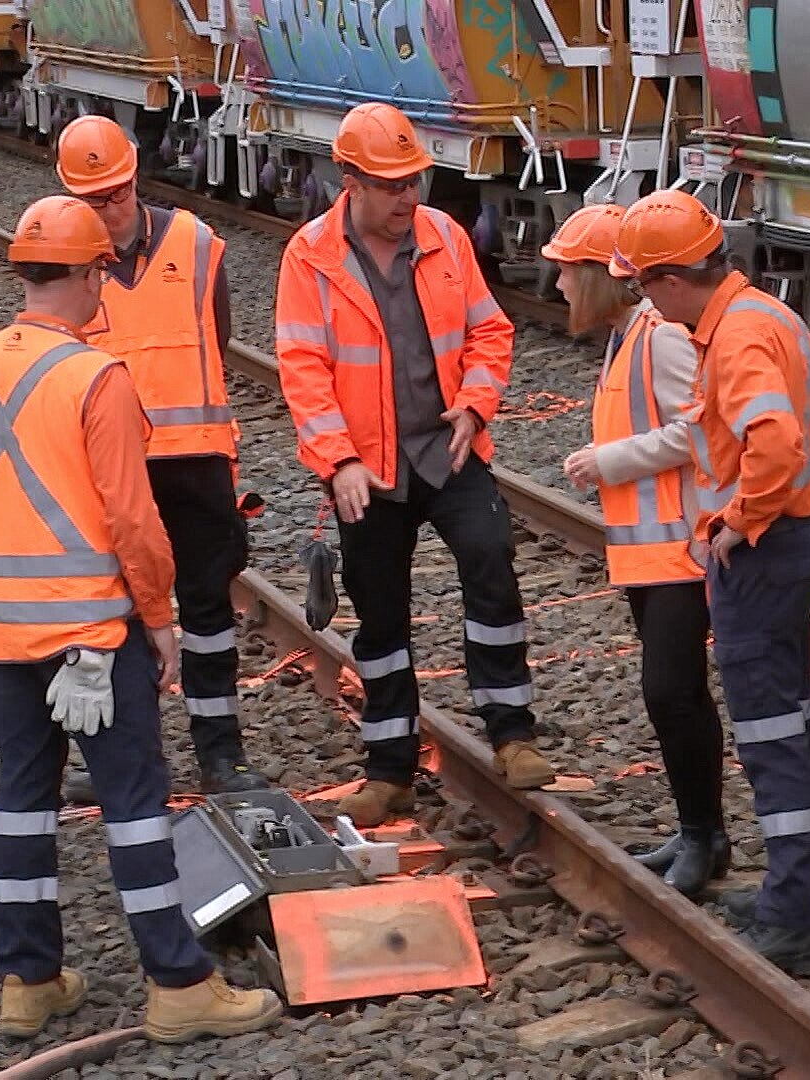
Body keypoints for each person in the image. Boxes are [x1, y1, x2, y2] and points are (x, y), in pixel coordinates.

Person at [0, 195, 283, 1041]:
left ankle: (27, 980)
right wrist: (159, 616)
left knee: (21, 802)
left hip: (5, 636)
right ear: (87, 274)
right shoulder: (96, 378)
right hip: (95, 637)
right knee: (134, 804)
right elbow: (132, 520)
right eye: (101, 272)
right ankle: (177, 984)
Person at [274, 102, 554, 826]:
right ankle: (389, 767)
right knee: (380, 613)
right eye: (392, 185)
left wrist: (475, 406)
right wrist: (338, 461)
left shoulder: (444, 236)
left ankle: (512, 733)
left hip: (447, 448)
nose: (408, 197)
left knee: (490, 561)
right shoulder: (311, 255)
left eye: (414, 181)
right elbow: (302, 368)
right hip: (366, 468)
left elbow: (489, 332)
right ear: (351, 182)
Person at [610, 189, 810, 976]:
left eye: (644, 285)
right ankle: (803, 895)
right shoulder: (762, 314)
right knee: (795, 728)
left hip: (765, 555)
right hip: (797, 544)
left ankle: (793, 924)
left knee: (771, 739)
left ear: (672, 281)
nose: (645, 302)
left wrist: (737, 520)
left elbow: (773, 442)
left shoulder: (735, 336)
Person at [52, 115, 262, 796]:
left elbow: (216, 341)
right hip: (110, 468)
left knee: (206, 614)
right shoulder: (64, 264)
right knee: (112, 613)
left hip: (196, 461)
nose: (108, 209)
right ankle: (123, 758)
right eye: (92, 199)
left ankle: (220, 754)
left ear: (135, 175)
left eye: (116, 193)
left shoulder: (196, 245)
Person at [547, 204, 725, 896]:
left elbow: (698, 431)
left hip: (680, 551)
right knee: (674, 698)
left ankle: (703, 835)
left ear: (597, 276)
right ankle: (699, 833)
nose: (558, 284)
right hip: (650, 556)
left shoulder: (660, 336)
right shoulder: (628, 337)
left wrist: (609, 461)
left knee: (672, 694)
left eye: (567, 271)